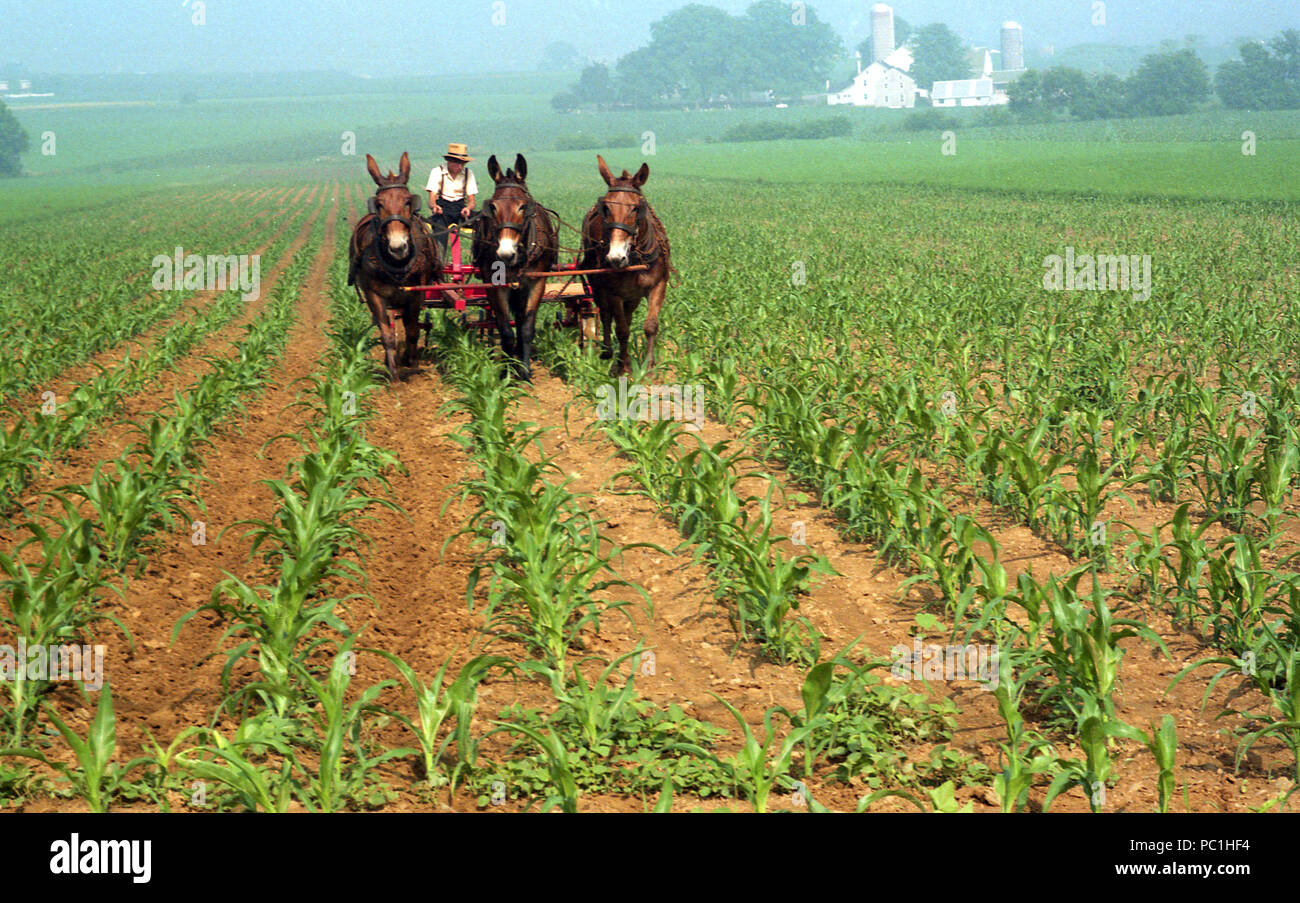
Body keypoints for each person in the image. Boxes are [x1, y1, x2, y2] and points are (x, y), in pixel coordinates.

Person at [425, 142, 478, 255]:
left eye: (462, 163)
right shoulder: (437, 172)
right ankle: (439, 260)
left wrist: (468, 208)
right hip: (443, 209)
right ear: (449, 161)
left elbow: (472, 200)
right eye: (457, 163)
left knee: (483, 223)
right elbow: (432, 198)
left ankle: (479, 257)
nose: (460, 166)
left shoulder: (468, 173)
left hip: (461, 208)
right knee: (440, 232)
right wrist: (435, 206)